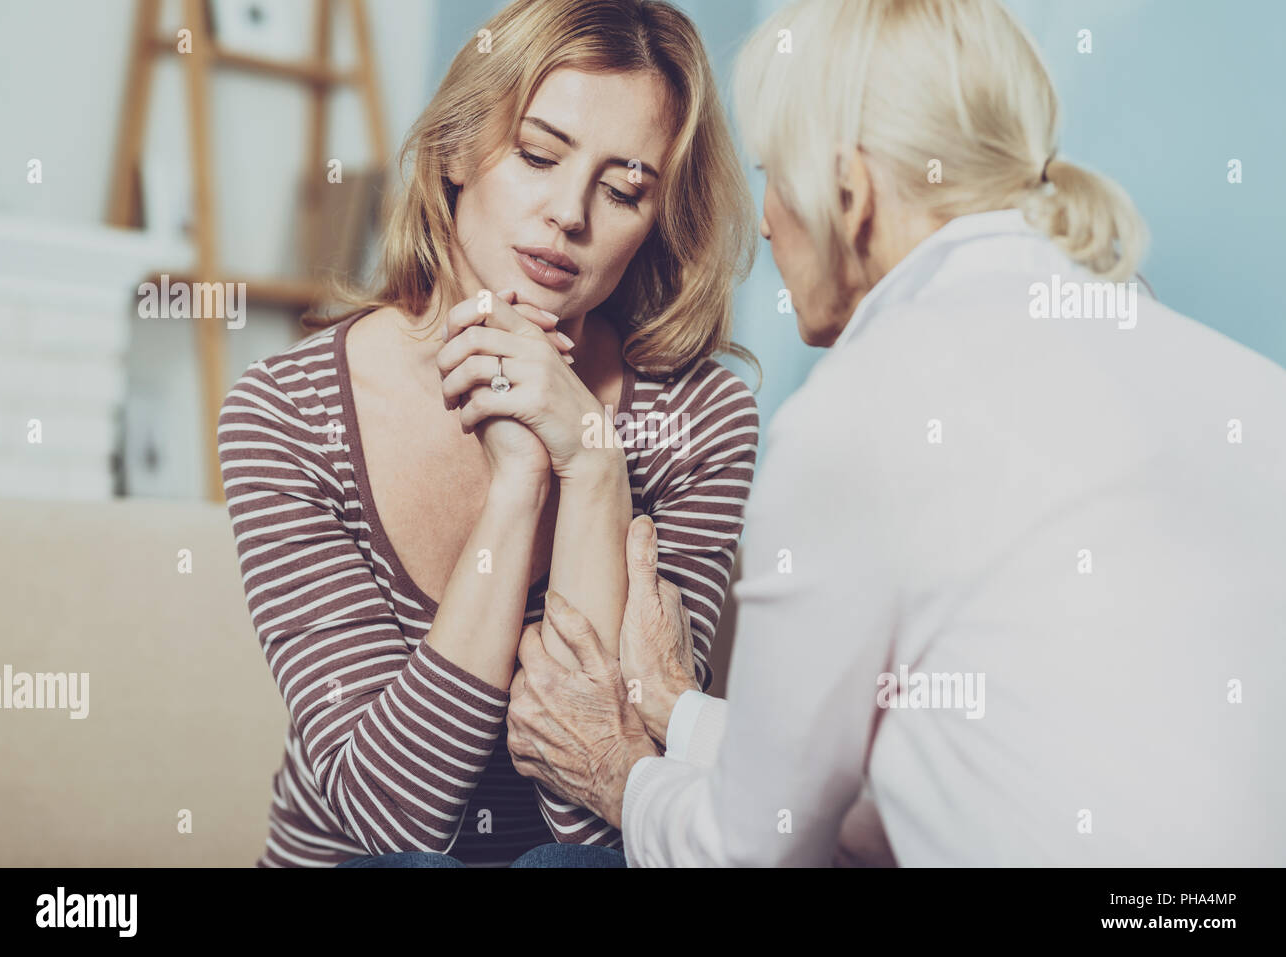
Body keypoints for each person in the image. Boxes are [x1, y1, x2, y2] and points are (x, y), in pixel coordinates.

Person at [505, 0, 1286, 866]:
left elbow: (752, 855)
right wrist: (675, 708)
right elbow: (945, 780)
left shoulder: (860, 409)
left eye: (773, 175)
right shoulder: (1250, 387)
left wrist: (618, 773)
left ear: (848, 192)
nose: (763, 222)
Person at [216, 0, 760, 867]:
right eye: (539, 155)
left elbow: (605, 817)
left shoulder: (699, 417)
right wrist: (519, 487)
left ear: (655, 219)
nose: (569, 214)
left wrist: (591, 460)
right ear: (458, 148)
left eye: (624, 188)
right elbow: (391, 822)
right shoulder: (285, 412)